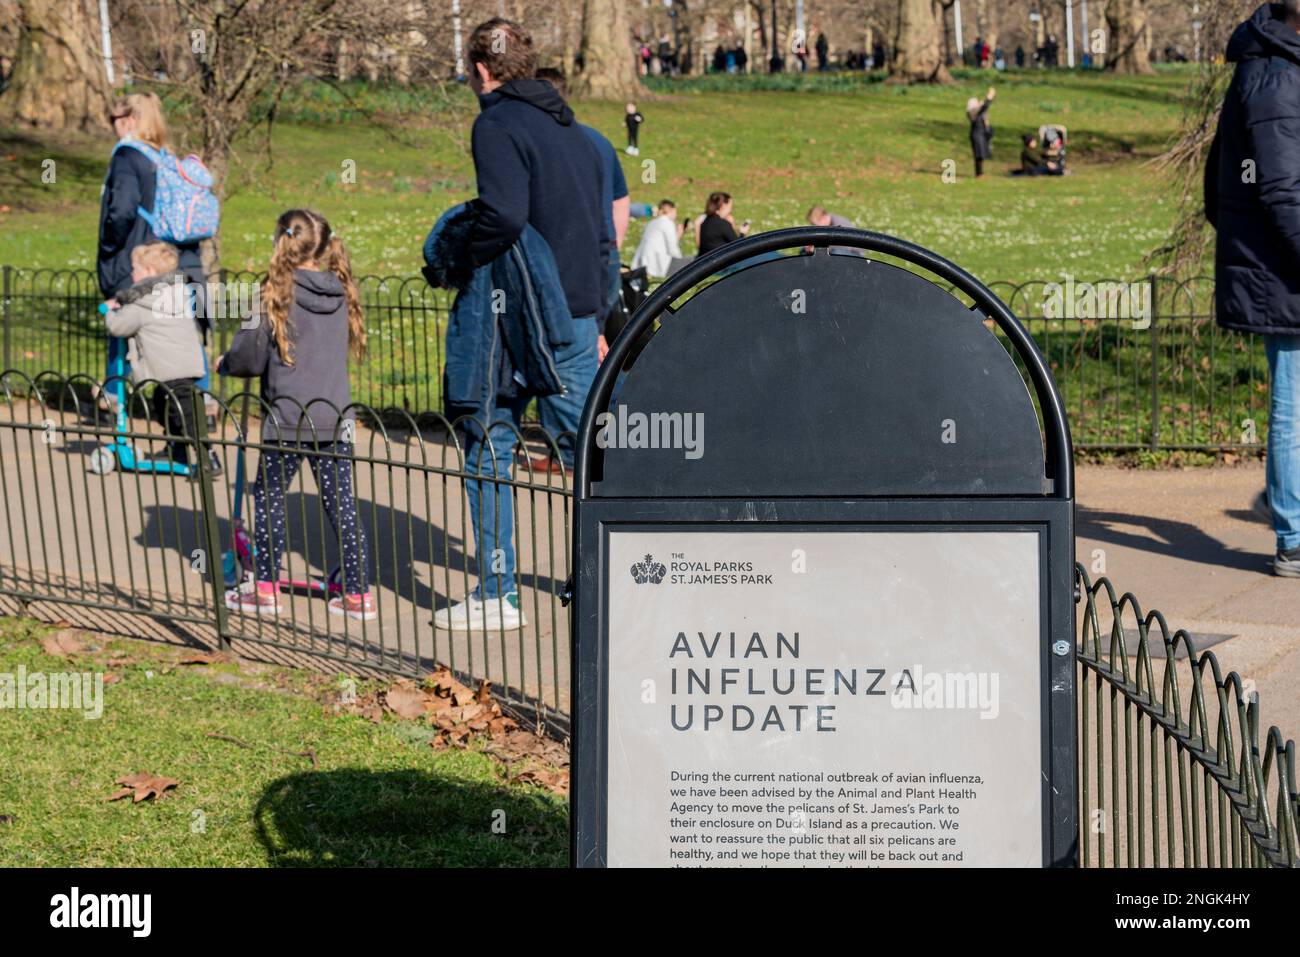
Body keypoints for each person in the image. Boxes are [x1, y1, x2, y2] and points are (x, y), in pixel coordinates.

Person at [428, 18, 604, 632]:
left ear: (480, 71)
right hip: (578, 315)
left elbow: (503, 215)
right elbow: (601, 231)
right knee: (593, 451)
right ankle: (627, 572)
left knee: (491, 445)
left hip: (518, 318)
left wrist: (457, 256)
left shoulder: (495, 122)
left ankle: (499, 594)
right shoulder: (576, 132)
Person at [218, 209, 377, 620]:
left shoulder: (272, 293)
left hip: (288, 417)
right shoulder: (341, 290)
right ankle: (359, 592)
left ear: (281, 241)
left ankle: (266, 589)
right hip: (334, 415)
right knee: (342, 504)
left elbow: (249, 354)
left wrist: (226, 363)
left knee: (269, 497)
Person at [1206, 1, 1300, 577]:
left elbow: (1223, 181)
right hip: (1284, 273)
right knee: (1291, 407)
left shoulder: (1271, 66)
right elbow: (1282, 191)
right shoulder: (1275, 75)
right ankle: (1292, 533)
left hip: (1275, 266)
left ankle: (1283, 499)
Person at [98, 93, 215, 423]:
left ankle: (113, 402)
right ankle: (198, 408)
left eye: (114, 121)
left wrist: (109, 248)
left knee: (121, 322)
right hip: (171, 259)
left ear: (131, 121)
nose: (113, 128)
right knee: (180, 333)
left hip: (138, 258)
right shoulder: (163, 156)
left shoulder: (127, 157)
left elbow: (120, 211)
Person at [535, 67, 630, 471]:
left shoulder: (546, 143)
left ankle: (576, 449)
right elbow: (620, 202)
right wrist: (612, 247)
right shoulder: (597, 141)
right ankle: (619, 433)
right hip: (603, 254)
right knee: (602, 346)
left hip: (569, 262)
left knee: (563, 349)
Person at [102, 242, 209, 472]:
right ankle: (176, 450)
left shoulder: (142, 301)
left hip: (166, 367)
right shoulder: (178, 291)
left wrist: (109, 311)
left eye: (135, 268)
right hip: (185, 363)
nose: (132, 273)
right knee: (169, 408)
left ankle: (207, 455)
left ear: (149, 271)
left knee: (183, 415)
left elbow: (120, 326)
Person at [631, 199, 687, 278]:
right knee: (692, 262)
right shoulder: (668, 223)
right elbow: (672, 248)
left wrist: (678, 235)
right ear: (672, 210)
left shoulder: (651, 223)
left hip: (642, 264)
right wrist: (680, 261)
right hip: (658, 265)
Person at [696, 191, 750, 256]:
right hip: (720, 263)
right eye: (730, 206)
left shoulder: (705, 222)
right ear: (723, 206)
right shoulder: (722, 224)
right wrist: (742, 233)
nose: (731, 210)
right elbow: (737, 246)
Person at [967, 87, 995, 178]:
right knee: (979, 154)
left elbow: (983, 108)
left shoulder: (978, 112)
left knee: (981, 154)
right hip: (976, 135)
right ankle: (979, 173)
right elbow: (983, 107)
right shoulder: (973, 112)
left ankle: (980, 173)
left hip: (981, 135)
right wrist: (989, 96)